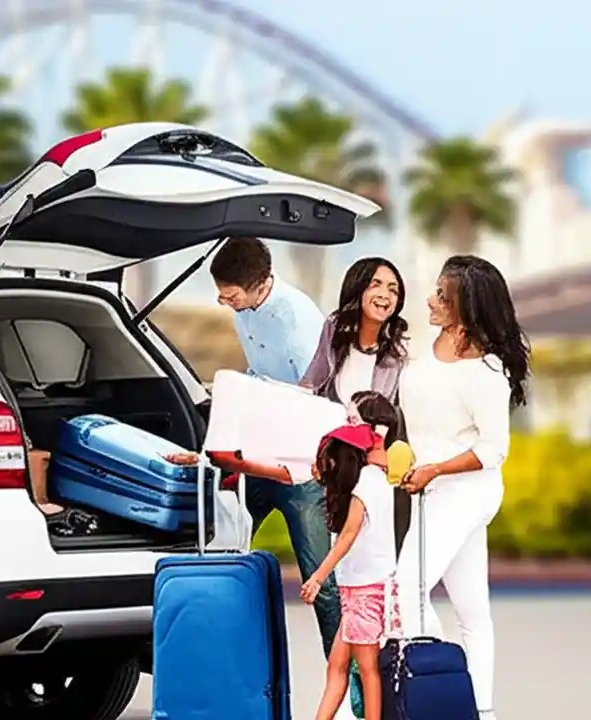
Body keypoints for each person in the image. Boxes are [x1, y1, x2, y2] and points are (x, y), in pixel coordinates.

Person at [204, 237, 357, 707]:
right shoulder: (244, 310)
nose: (222, 302)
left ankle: (351, 692)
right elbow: (259, 373)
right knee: (221, 546)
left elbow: (316, 397)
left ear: (261, 284)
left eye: (230, 294)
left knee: (321, 582)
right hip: (260, 456)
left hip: (300, 466)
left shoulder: (299, 322)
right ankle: (219, 668)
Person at [394, 255, 531, 720]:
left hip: (467, 490)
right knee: (472, 611)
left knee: (403, 589)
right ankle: (482, 710)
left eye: (441, 296)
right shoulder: (428, 342)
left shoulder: (488, 371)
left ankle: (444, 679)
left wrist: (433, 470)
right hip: (433, 488)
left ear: (465, 308)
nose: (430, 300)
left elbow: (494, 450)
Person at [298, 257, 413, 556]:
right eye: (376, 284)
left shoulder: (397, 358)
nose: (385, 296)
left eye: (393, 290)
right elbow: (311, 386)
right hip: (330, 465)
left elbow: (390, 418)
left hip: (372, 470)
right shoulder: (334, 332)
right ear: (358, 288)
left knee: (368, 561)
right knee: (331, 559)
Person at [300, 396, 401, 720]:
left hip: (364, 590)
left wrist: (317, 577)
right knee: (338, 665)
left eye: (353, 419)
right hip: (359, 589)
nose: (347, 425)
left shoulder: (368, 483)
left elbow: (347, 536)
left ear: (377, 431)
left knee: (367, 668)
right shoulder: (375, 477)